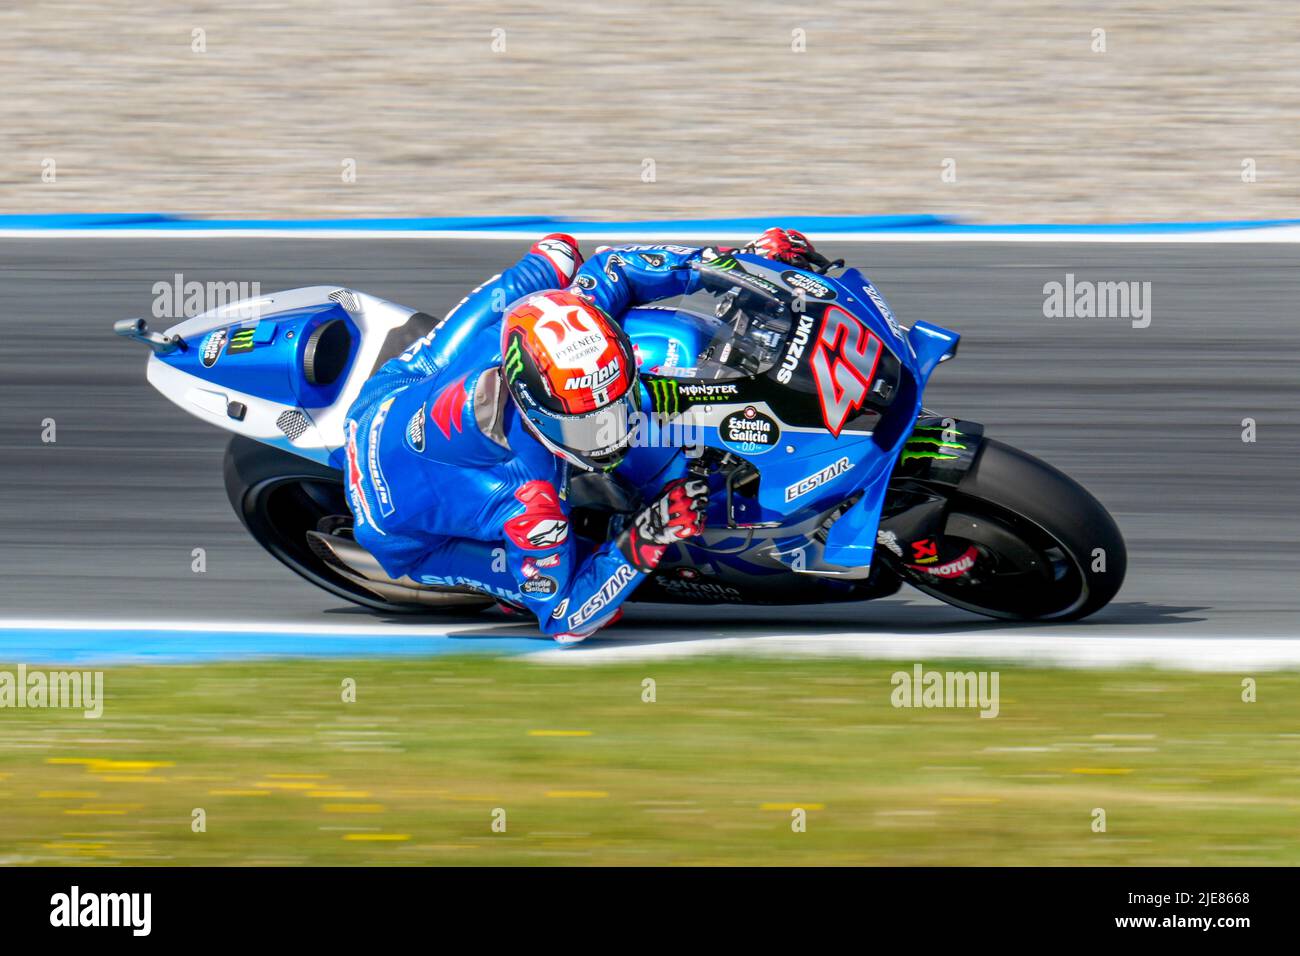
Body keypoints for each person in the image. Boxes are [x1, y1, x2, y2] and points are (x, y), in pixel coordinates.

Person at [342, 228, 822, 642]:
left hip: (404, 389)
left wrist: (727, 267)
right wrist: (648, 535)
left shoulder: (545, 322)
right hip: (400, 529)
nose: (614, 433)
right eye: (592, 424)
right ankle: (515, 588)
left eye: (615, 407)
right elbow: (567, 621)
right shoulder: (530, 507)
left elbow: (614, 266)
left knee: (559, 254)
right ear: (540, 413)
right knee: (578, 590)